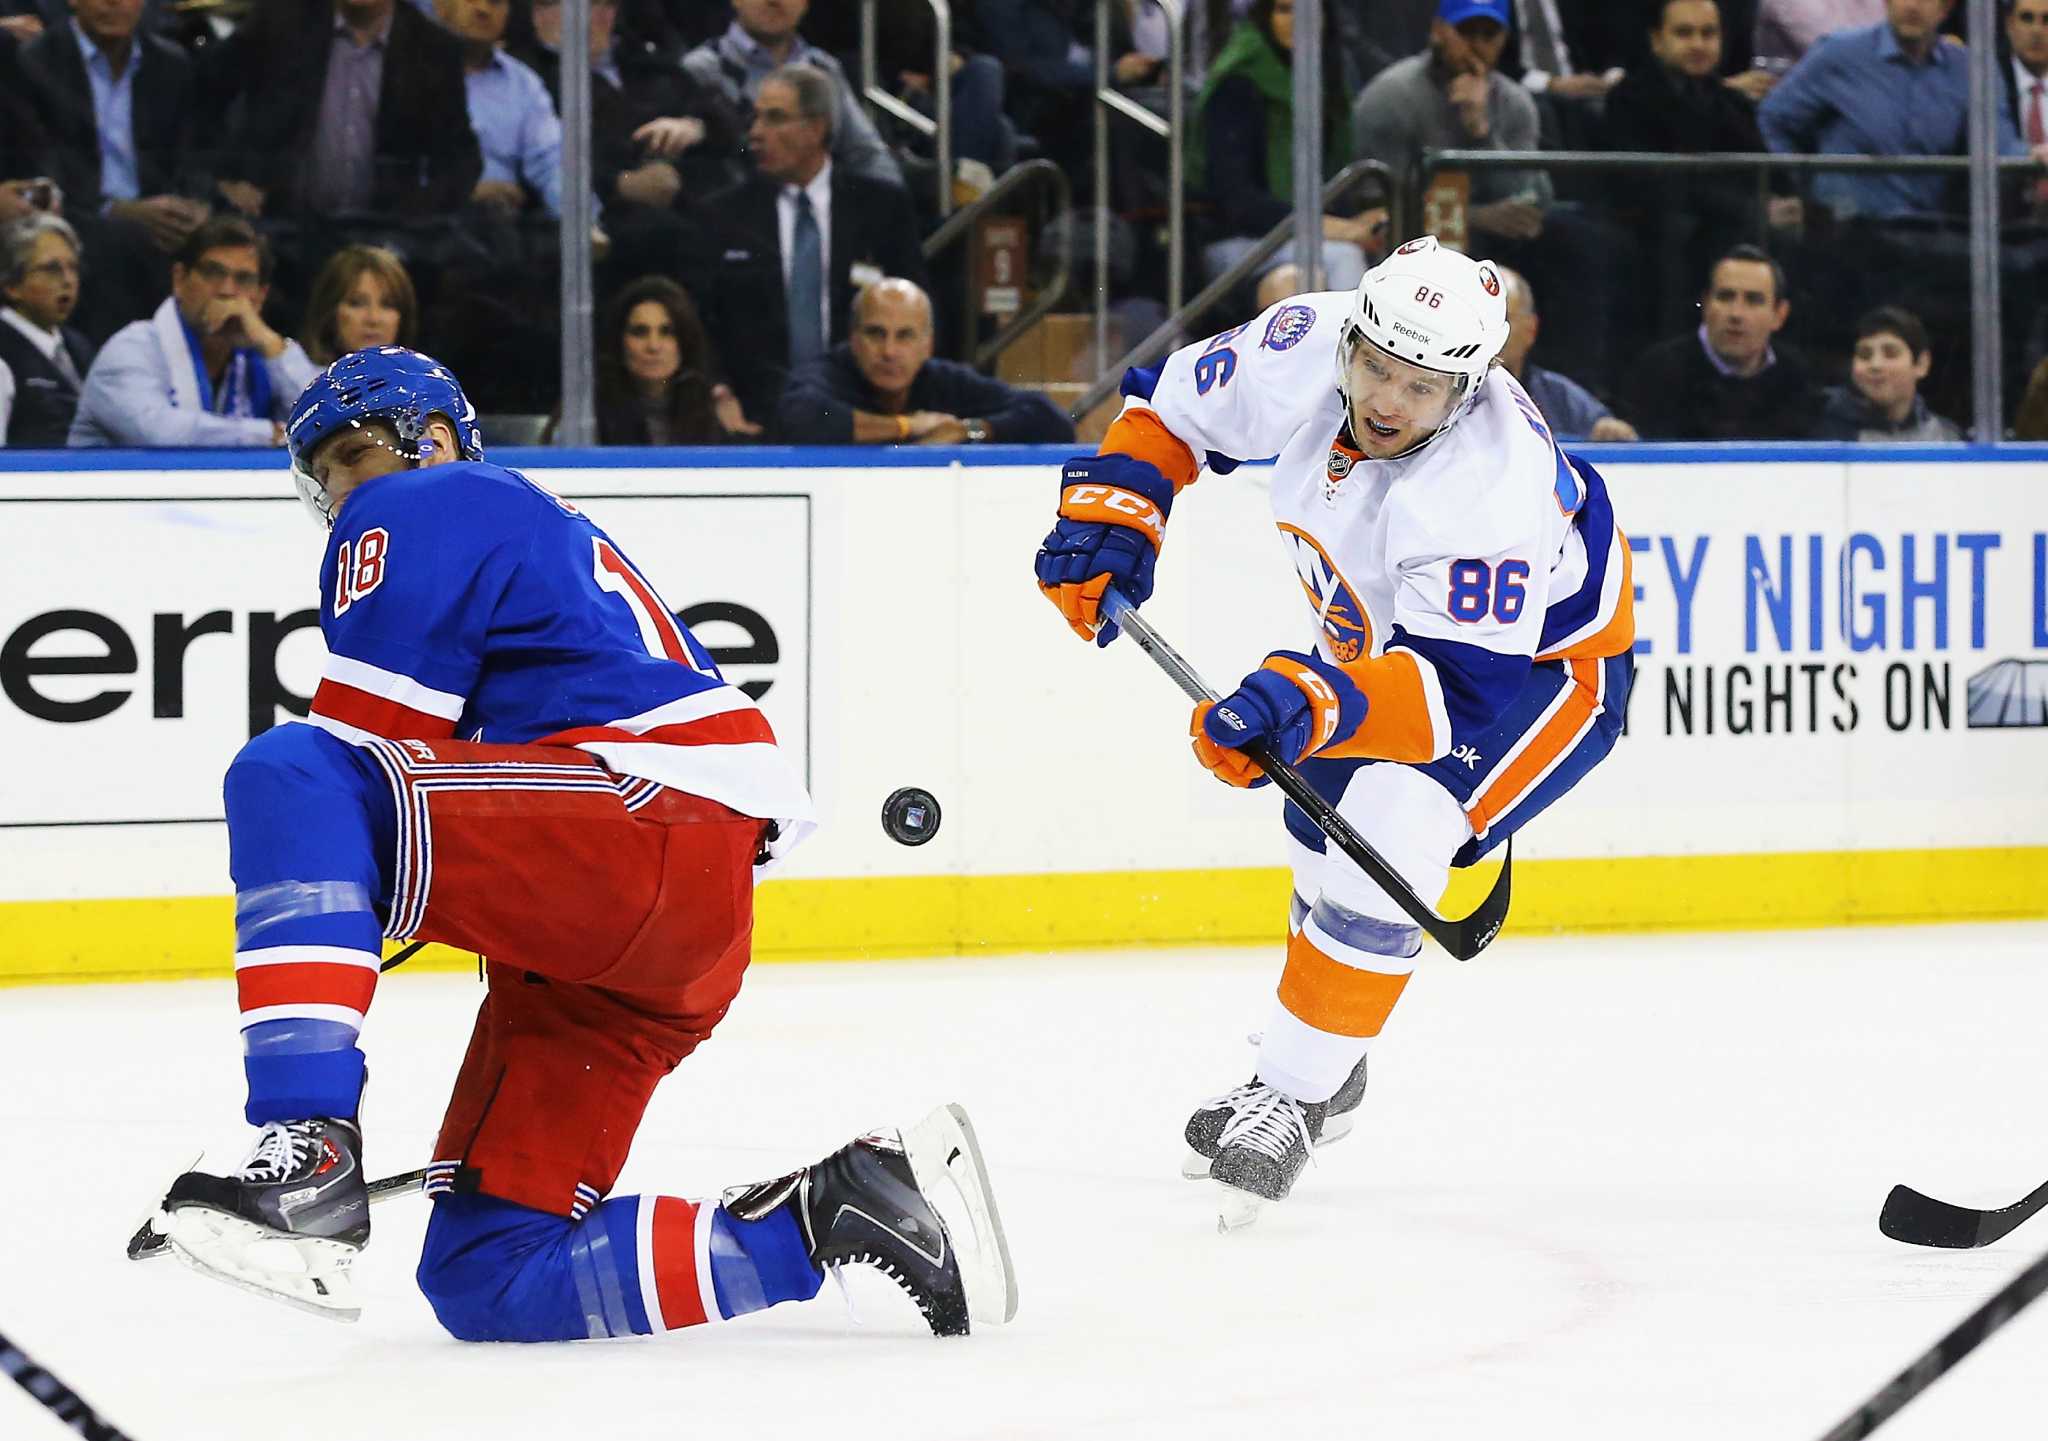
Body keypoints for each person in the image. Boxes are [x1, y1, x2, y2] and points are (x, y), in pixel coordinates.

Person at [150, 345, 1017, 1340]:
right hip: (662, 924)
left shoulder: (426, 502)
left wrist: (326, 932)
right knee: (488, 1276)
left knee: (287, 771)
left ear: (428, 443)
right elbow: (421, 808)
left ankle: (307, 1148)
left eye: (352, 456)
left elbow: (353, 764)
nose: (343, 492)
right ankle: (837, 1212)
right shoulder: (521, 527)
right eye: (328, 474)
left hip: (639, 832)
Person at [1032, 236, 1634, 1225]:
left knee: (1389, 826)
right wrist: (1121, 508)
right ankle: (1321, 1059)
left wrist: (1307, 698)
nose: (1387, 401)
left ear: (1470, 387)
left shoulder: (1490, 480)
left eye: (1421, 387)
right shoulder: (1309, 336)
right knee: (1315, 831)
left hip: (1535, 674)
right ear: (1350, 336)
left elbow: (1455, 693)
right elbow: (1172, 409)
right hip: (1391, 642)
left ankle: (1294, 1089)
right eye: (1374, 368)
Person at [685, 64, 931, 426]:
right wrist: (718, 391)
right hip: (757, 420)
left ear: (817, 128)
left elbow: (918, 307)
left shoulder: (881, 206)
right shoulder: (723, 214)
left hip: (867, 417)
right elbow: (700, 321)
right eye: (755, 118)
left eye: (775, 119)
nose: (756, 133)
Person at [1191, 0, 1386, 296]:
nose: (1297, 21)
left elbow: (1336, 186)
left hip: (1316, 235)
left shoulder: (1330, 75)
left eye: (1308, 10)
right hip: (1243, 241)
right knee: (1340, 259)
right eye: (1284, 10)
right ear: (1264, 16)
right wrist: (1335, 229)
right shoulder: (1238, 80)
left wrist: (1363, 223)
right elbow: (1239, 202)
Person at [69, 215, 317, 445]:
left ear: (261, 295)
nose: (227, 291)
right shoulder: (131, 349)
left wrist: (270, 343)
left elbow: (324, 421)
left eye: (243, 279)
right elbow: (158, 433)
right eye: (212, 273)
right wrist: (266, 434)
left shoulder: (263, 356)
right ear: (179, 279)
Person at [775, 276, 1076, 445]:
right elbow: (801, 417)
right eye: (875, 333)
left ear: (927, 345)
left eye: (904, 336)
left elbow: (1050, 418)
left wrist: (968, 430)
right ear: (853, 338)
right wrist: (907, 426)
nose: (889, 351)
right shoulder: (830, 373)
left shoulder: (944, 380)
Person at [682, 0, 905, 190]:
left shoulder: (823, 67)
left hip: (828, 214)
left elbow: (865, 153)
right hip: (742, 215)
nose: (773, 0)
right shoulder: (701, 69)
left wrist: (891, 203)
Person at [1622, 243, 1816, 440]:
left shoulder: (1795, 376)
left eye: (1753, 300)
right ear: (1705, 305)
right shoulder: (1658, 370)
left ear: (1779, 315)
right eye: (1725, 297)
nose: (1736, 314)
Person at [579, 273, 761, 444]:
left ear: (684, 341)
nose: (653, 346)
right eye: (640, 332)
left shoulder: (712, 412)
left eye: (667, 332)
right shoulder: (585, 414)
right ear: (619, 342)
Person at [1497, 265, 1636, 441]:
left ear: (1530, 329)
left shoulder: (1561, 398)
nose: (1488, 330)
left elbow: (1613, 435)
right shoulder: (1451, 395)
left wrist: (1610, 432)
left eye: (1502, 317)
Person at [0, 212, 93, 445]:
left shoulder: (79, 346)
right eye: (52, 269)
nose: (68, 280)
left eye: (73, 267)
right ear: (12, 285)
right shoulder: (4, 350)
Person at [1814, 304, 1963, 440]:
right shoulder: (1821, 432)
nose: (1875, 365)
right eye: (1864, 355)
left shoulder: (1947, 436)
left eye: (1891, 353)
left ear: (1921, 364)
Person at [300, 243, 415, 365]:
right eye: (357, 303)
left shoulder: (424, 381)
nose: (373, 319)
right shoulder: (299, 377)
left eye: (387, 305)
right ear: (330, 311)